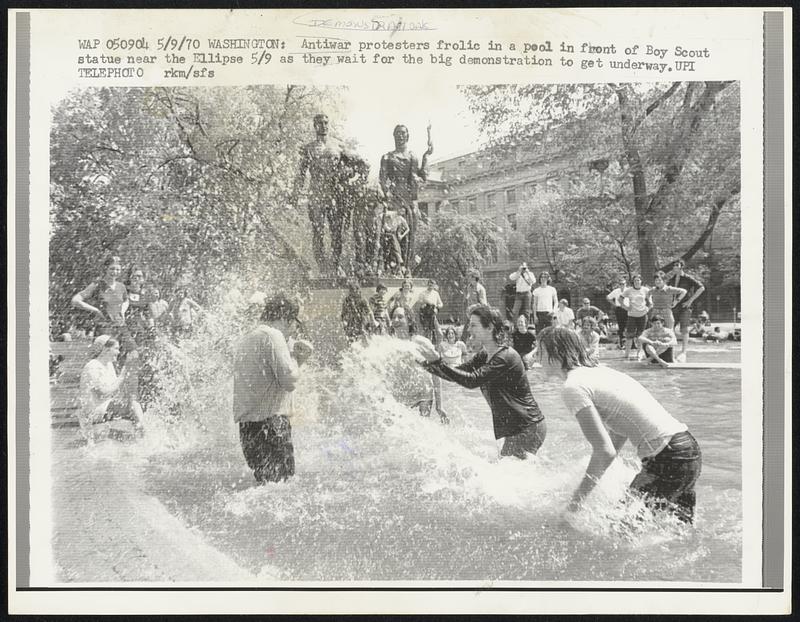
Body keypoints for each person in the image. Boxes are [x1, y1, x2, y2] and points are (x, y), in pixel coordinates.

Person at [536, 327, 702, 524]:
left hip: (668, 457)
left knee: (622, 529)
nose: (537, 358)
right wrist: (601, 472)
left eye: (540, 351)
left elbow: (604, 451)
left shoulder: (573, 387)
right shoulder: (601, 372)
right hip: (688, 449)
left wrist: (574, 505)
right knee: (677, 531)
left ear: (556, 353)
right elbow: (619, 430)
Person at [416, 305, 546, 459]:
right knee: (508, 468)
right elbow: (456, 374)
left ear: (489, 327)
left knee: (507, 470)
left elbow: (472, 380)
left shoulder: (505, 357)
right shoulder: (484, 355)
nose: (468, 329)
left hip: (528, 426)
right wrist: (426, 364)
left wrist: (438, 361)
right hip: (519, 427)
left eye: (473, 325)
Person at [233, 293, 313, 484]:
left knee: (265, 485)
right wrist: (299, 358)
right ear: (286, 318)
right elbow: (290, 381)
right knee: (283, 487)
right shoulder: (273, 335)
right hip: (271, 426)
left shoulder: (246, 338)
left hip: (247, 429)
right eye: (297, 323)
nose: (295, 329)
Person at [292, 113, 363, 275]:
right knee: (318, 231)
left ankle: (335, 265)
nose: (323, 126)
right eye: (320, 123)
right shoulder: (309, 149)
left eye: (326, 123)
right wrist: (295, 194)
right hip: (316, 194)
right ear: (314, 126)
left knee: (336, 232)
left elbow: (360, 164)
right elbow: (301, 174)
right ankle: (322, 266)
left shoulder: (338, 146)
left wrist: (352, 180)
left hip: (335, 195)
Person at [379, 123, 433, 269]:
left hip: (409, 200)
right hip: (393, 199)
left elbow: (418, 177)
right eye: (397, 133)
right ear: (393, 136)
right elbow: (382, 180)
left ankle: (406, 266)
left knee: (409, 235)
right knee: (392, 233)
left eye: (403, 133)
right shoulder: (387, 157)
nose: (400, 135)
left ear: (407, 136)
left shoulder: (412, 157)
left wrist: (426, 157)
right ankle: (393, 265)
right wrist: (388, 196)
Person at [78, 335, 144, 443]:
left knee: (134, 403)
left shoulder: (109, 365)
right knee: (133, 405)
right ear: (106, 349)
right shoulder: (93, 366)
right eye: (116, 348)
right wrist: (122, 375)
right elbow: (102, 393)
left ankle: (140, 435)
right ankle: (143, 437)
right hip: (93, 411)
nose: (118, 352)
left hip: (105, 406)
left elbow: (115, 389)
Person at [389, 306, 448, 424]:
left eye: (400, 317)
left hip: (423, 395)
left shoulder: (421, 342)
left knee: (422, 428)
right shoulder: (390, 345)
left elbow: (436, 373)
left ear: (409, 320)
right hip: (401, 396)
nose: (396, 320)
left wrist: (439, 406)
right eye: (393, 317)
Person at [71, 255, 130, 340]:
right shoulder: (98, 285)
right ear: (106, 269)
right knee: (109, 347)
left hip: (120, 326)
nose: (115, 272)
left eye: (118, 269)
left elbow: (126, 301)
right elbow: (75, 301)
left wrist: (123, 311)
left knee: (132, 348)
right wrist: (96, 310)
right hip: (104, 327)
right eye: (112, 269)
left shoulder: (121, 286)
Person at [667, 259, 706, 361]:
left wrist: (690, 300)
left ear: (681, 267)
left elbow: (701, 288)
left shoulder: (688, 278)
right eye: (674, 265)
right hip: (674, 306)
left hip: (685, 306)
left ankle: (683, 352)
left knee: (684, 328)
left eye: (677, 265)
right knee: (670, 327)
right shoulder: (671, 279)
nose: (675, 267)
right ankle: (670, 351)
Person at [621, 274, 651, 361]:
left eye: (638, 280)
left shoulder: (645, 290)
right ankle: (626, 353)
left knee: (640, 335)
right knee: (629, 335)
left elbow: (650, 302)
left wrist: (648, 309)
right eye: (635, 280)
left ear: (641, 281)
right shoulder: (628, 290)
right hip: (632, 315)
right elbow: (620, 299)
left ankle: (639, 353)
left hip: (642, 315)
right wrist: (625, 307)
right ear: (633, 282)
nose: (637, 282)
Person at [375, 208, 409, 275]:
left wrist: (402, 235)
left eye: (403, 212)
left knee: (396, 250)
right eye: (401, 210)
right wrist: (385, 226)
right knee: (385, 251)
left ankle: (398, 268)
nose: (401, 212)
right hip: (386, 234)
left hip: (393, 234)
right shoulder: (391, 213)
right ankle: (381, 269)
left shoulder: (400, 218)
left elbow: (408, 229)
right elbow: (381, 216)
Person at [340, 279, 373, 343]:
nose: (352, 292)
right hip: (351, 322)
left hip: (362, 321)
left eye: (354, 290)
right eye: (351, 290)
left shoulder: (362, 299)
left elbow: (369, 312)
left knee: (365, 337)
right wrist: (343, 322)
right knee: (351, 339)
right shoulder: (347, 300)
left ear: (358, 290)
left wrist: (371, 321)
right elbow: (343, 313)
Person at [414, 278, 444, 346]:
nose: (430, 286)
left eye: (432, 285)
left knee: (439, 332)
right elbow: (419, 304)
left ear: (434, 286)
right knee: (426, 333)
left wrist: (437, 307)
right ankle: (425, 347)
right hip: (425, 316)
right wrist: (424, 302)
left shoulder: (436, 293)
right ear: (427, 285)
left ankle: (438, 347)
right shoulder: (423, 293)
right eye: (429, 285)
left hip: (433, 315)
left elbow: (441, 304)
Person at [606, 276, 629, 349]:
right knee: (621, 326)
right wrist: (614, 304)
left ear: (626, 284)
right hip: (619, 309)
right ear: (619, 284)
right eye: (620, 284)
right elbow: (608, 297)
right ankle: (622, 343)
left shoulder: (629, 290)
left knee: (629, 326)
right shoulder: (616, 291)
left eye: (623, 284)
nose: (622, 285)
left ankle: (630, 343)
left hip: (628, 309)